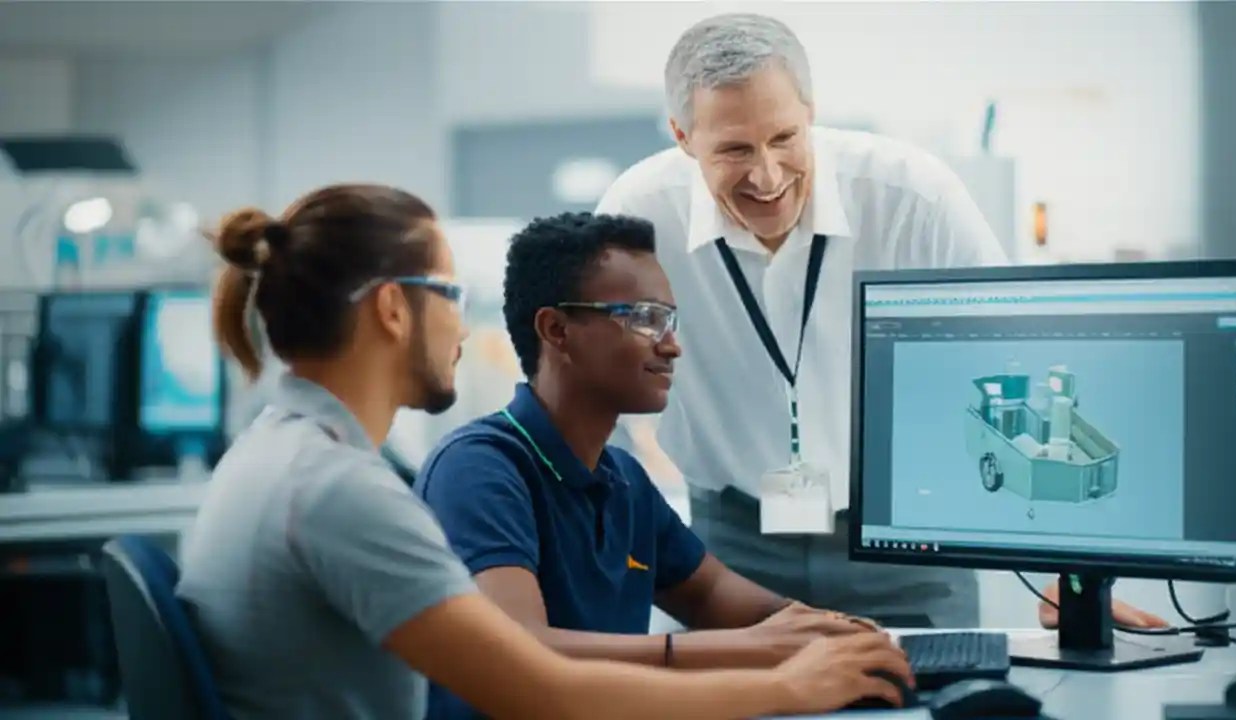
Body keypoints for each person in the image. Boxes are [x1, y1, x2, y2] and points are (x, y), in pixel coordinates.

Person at [176, 183, 914, 720]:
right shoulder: (342, 490)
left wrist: (820, 633)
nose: (463, 329)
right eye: (451, 296)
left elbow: (709, 594)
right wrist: (784, 682)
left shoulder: (281, 455)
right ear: (394, 308)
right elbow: (541, 687)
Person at [594, 12, 1168, 631]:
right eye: (735, 149)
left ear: (811, 111)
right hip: (730, 548)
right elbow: (587, 381)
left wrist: (1068, 564)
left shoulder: (914, 198)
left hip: (910, 533)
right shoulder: (638, 216)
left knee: (948, 681)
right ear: (683, 137)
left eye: (784, 137)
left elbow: (1018, 360)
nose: (767, 175)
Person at [417, 212, 910, 720]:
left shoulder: (623, 477)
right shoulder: (478, 469)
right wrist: (755, 651)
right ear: (557, 330)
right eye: (645, 319)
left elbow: (711, 592)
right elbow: (520, 647)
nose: (672, 345)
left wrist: (829, 631)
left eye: (670, 321)